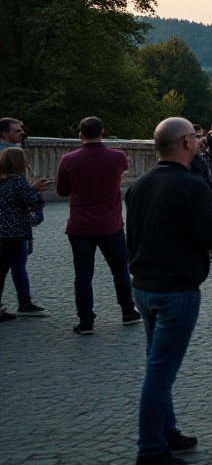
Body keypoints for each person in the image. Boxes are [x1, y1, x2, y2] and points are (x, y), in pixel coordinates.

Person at [125, 117, 212, 465]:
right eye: (195, 137)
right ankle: (151, 450)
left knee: (157, 362)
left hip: (143, 285)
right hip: (176, 289)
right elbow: (211, 236)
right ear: (185, 143)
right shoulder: (192, 186)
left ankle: (166, 431)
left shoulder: (140, 184)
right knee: (159, 373)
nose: (199, 140)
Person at [56, 117, 139, 334]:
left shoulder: (68, 159)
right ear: (102, 133)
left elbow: (62, 191)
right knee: (119, 269)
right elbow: (123, 167)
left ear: (80, 134)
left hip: (80, 225)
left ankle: (86, 321)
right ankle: (128, 311)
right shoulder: (117, 157)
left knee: (83, 275)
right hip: (110, 224)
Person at [0, 147, 49, 323]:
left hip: (3, 229)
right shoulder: (18, 181)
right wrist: (36, 189)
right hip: (14, 231)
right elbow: (33, 201)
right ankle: (24, 303)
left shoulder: (3, 181)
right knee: (7, 266)